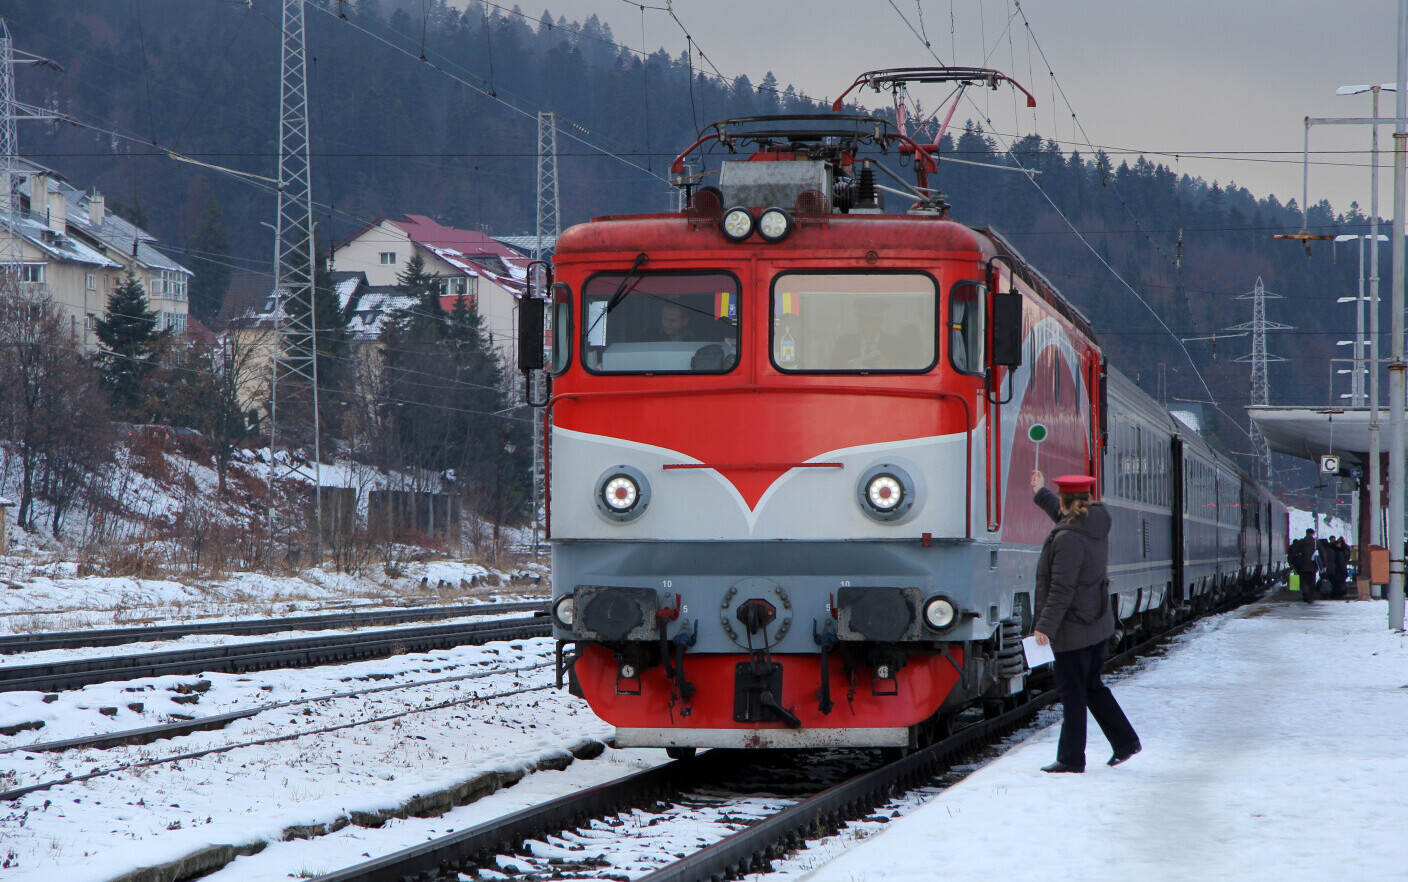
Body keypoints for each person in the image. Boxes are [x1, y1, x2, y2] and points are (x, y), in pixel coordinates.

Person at [1029, 470, 1140, 774]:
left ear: (1065, 501)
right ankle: (1125, 741)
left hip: (1074, 626)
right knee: (1091, 686)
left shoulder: (1067, 539)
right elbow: (1065, 518)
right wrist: (1041, 492)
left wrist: (1045, 627)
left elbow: (1062, 588)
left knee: (1073, 693)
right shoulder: (1092, 525)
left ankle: (1070, 758)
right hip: (1096, 623)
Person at [831, 299, 901, 369]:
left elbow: (904, 369)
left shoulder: (894, 344)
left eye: (870, 321)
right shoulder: (844, 343)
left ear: (880, 322)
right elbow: (833, 369)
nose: (865, 326)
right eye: (862, 321)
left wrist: (889, 366)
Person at [1289, 528, 1320, 603]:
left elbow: (1293, 553)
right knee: (1312, 582)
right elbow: (1322, 554)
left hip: (1302, 566)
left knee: (1304, 581)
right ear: (1313, 534)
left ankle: (1305, 594)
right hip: (1313, 566)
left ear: (1306, 533)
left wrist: (1292, 563)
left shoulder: (1301, 542)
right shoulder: (1316, 542)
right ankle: (1310, 597)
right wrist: (1323, 565)